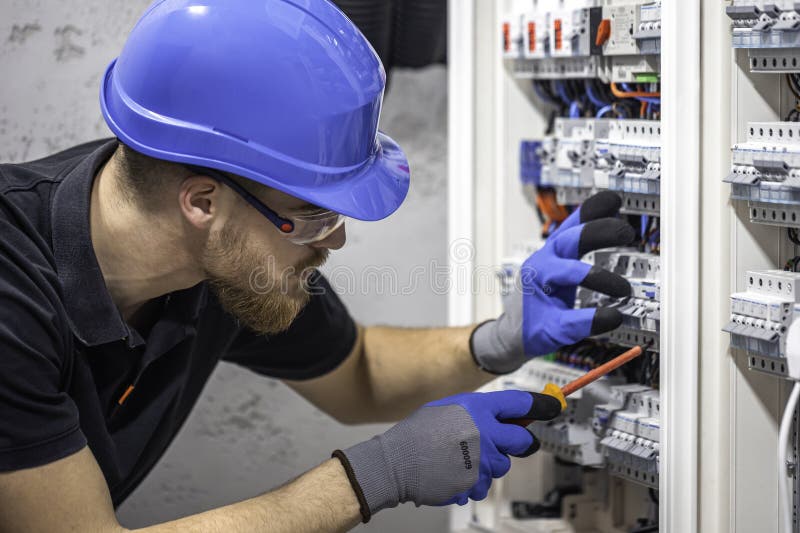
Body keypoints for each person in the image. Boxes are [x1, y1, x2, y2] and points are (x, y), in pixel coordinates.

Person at [0, 1, 635, 531]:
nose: (334, 242)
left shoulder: (221, 259)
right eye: (311, 215)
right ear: (201, 202)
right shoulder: (11, 293)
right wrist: (375, 476)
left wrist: (497, 342)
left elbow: (357, 372)